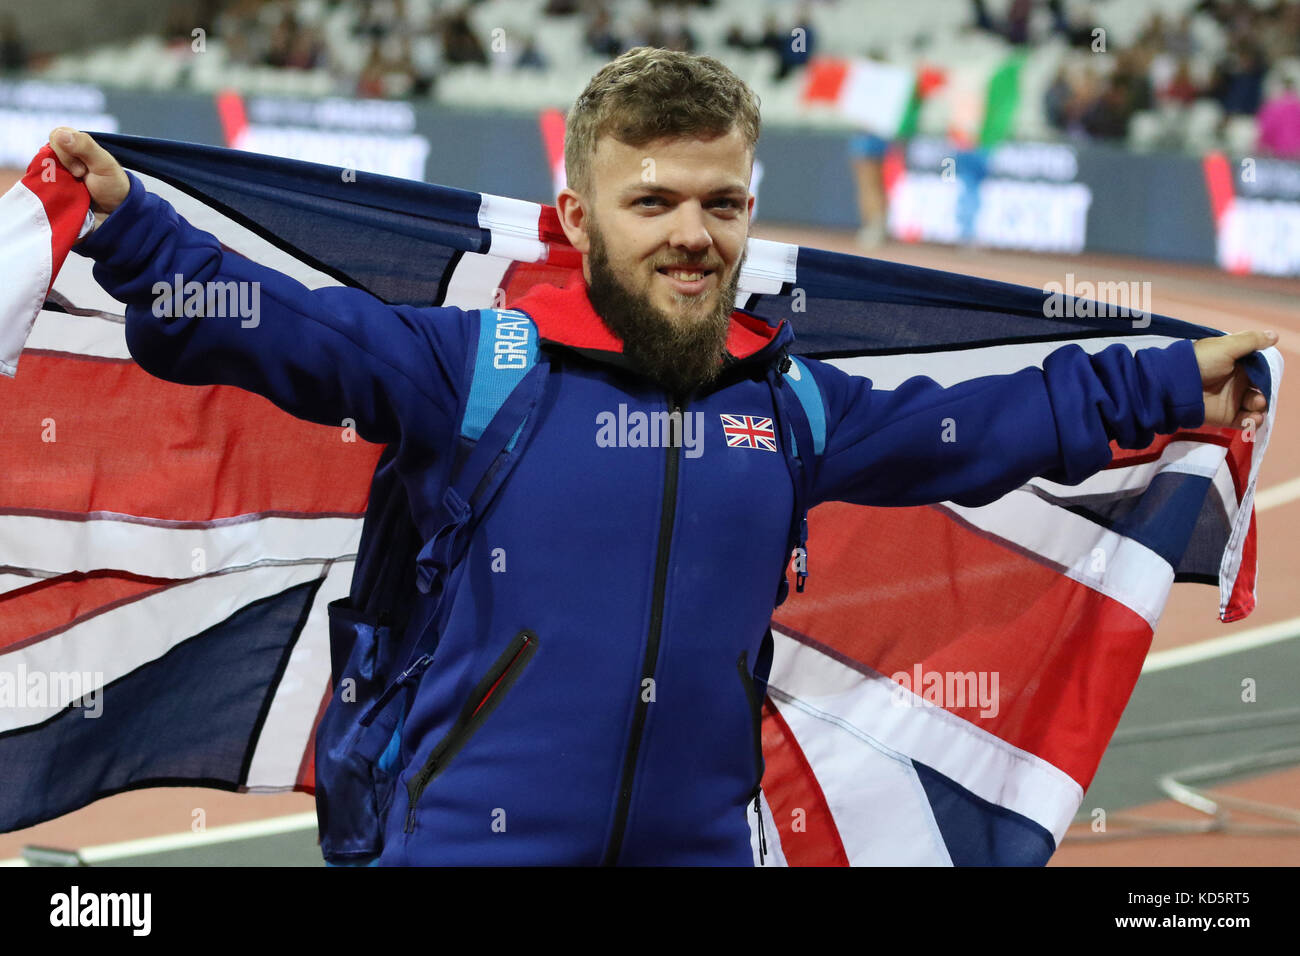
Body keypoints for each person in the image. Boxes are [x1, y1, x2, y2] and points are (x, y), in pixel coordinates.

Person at [48, 47, 1272, 866]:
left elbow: (979, 424)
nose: (693, 236)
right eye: (654, 203)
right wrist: (135, 230)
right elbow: (290, 330)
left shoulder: (786, 402)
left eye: (721, 204)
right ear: (579, 219)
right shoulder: (481, 373)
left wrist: (1168, 379)